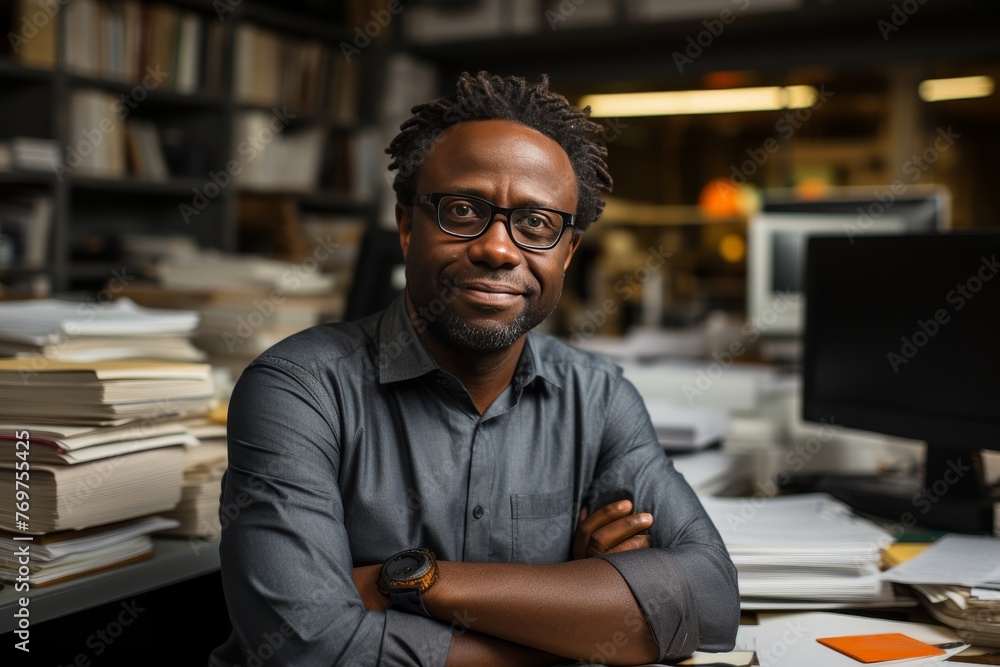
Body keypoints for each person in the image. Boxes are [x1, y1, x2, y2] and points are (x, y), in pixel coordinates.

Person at [210, 71, 739, 667]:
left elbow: (713, 601)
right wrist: (579, 623)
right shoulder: (299, 389)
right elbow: (309, 649)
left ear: (567, 253)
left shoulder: (599, 398)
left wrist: (410, 582)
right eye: (463, 211)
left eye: (536, 224)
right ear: (408, 227)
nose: (498, 248)